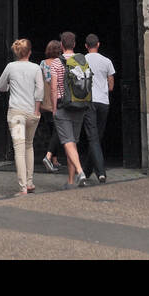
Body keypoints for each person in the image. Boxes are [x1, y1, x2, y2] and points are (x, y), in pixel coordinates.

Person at [0, 38, 44, 195]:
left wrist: (11, 85)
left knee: (19, 148)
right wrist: (37, 111)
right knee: (29, 145)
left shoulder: (11, 67)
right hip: (32, 112)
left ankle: (23, 186)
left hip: (16, 113)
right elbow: (40, 91)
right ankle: (30, 182)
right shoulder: (36, 68)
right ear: (30, 52)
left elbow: (1, 86)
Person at [49, 30, 93, 188]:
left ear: (61, 45)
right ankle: (70, 181)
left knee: (67, 141)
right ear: (74, 44)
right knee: (73, 142)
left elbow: (53, 88)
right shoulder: (81, 60)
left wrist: (54, 108)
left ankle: (80, 172)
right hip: (80, 105)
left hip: (63, 105)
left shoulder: (56, 63)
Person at [84, 33, 116, 183]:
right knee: (97, 136)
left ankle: (100, 172)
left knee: (93, 137)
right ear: (98, 44)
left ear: (86, 46)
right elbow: (111, 84)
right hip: (103, 102)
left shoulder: (82, 60)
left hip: (89, 101)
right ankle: (88, 170)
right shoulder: (107, 61)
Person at [39, 39, 63, 174]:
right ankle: (50, 157)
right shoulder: (60, 63)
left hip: (45, 101)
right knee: (58, 130)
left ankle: (54, 159)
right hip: (57, 99)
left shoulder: (42, 63)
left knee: (51, 129)